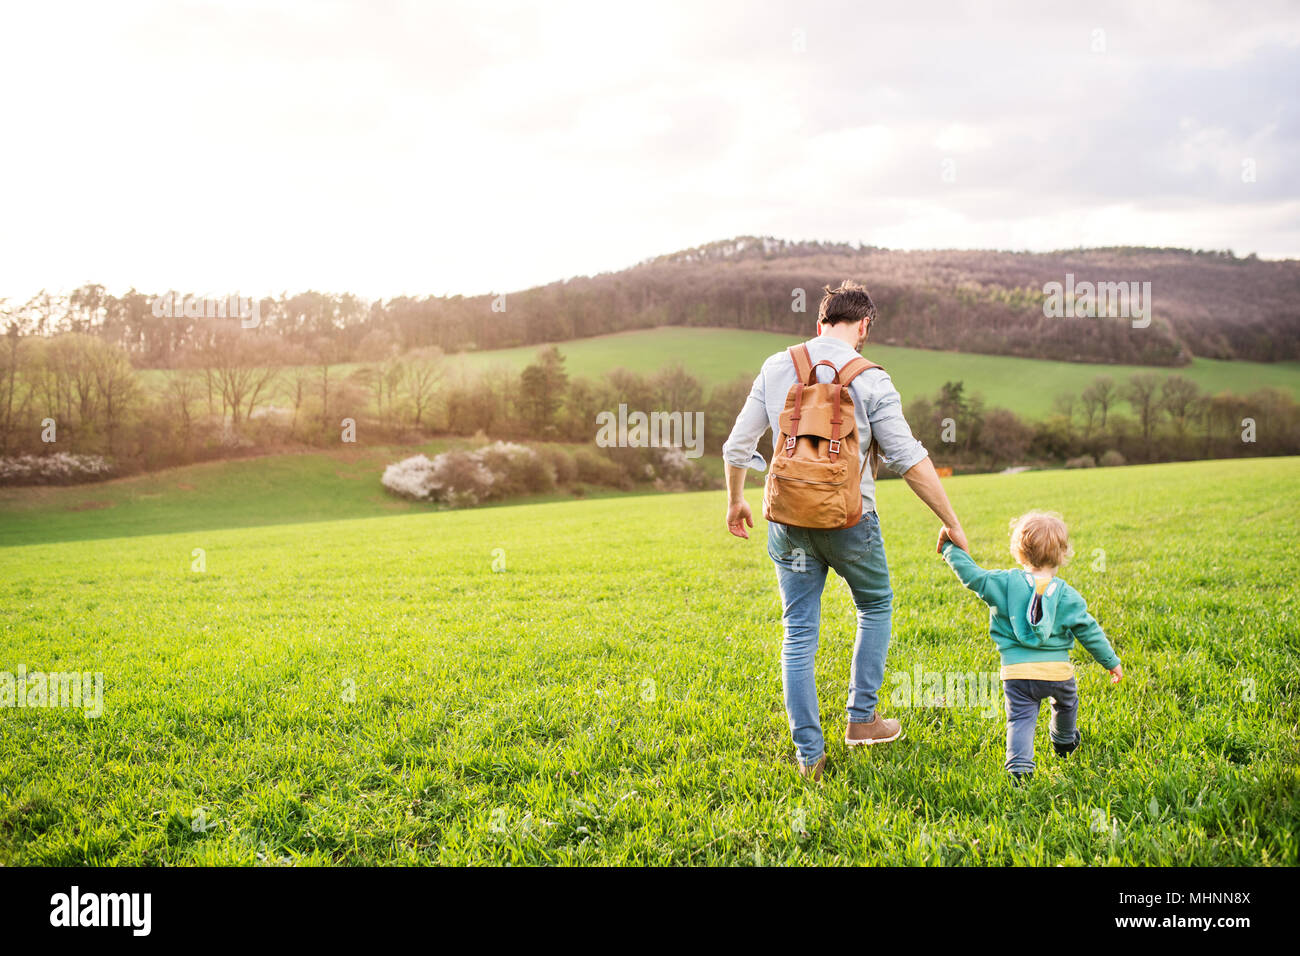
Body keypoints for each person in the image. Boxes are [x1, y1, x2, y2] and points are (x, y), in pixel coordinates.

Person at [723, 280, 968, 781]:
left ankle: (809, 757)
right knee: (874, 605)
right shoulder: (872, 379)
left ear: (819, 324)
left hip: (787, 522)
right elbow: (910, 459)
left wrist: (736, 500)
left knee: (798, 632)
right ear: (863, 327)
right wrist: (950, 520)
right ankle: (861, 719)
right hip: (851, 522)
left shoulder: (776, 366)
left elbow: (736, 446)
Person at [938, 510, 1123, 782]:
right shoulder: (1067, 594)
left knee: (1020, 721)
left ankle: (1019, 770)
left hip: (1016, 674)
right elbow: (1089, 631)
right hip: (1057, 674)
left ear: (1019, 552)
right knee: (1066, 704)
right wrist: (1111, 661)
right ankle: (1063, 741)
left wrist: (950, 549)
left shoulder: (1003, 583)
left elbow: (972, 576)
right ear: (1062, 554)